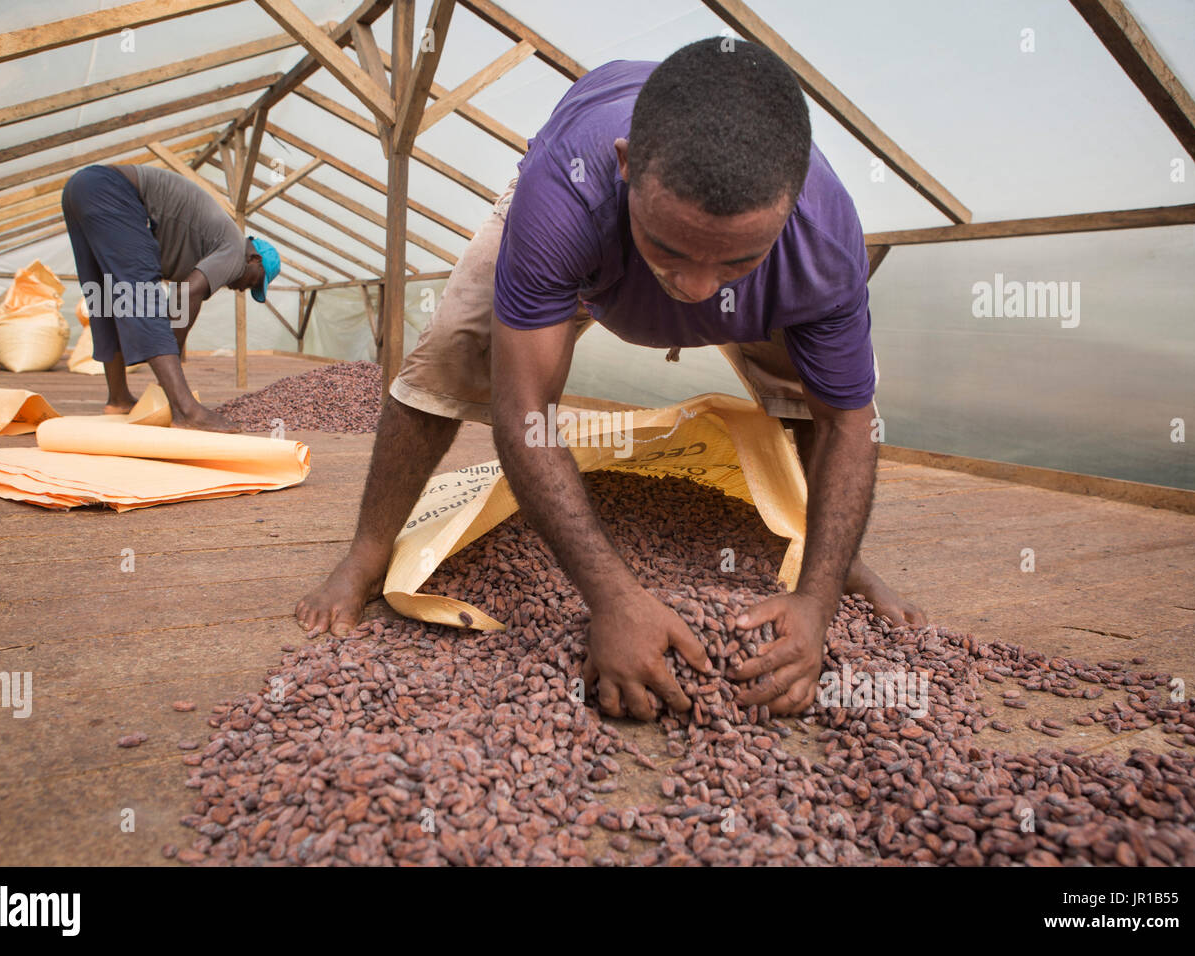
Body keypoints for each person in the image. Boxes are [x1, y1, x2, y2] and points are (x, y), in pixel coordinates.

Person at [298, 38, 928, 720]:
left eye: (735, 262)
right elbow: (525, 413)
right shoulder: (565, 192)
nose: (693, 290)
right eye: (670, 247)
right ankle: (366, 552)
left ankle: (832, 567)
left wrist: (816, 601)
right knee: (456, 347)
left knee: (811, 387)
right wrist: (614, 598)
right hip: (584, 227)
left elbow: (847, 422)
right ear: (626, 168)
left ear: (789, 206)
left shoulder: (825, 245)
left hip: (756, 254)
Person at [61, 163, 281, 432]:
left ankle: (118, 399)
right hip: (114, 189)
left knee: (105, 295)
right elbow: (186, 293)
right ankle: (187, 411)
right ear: (254, 260)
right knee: (141, 292)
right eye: (254, 283)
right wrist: (171, 362)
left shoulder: (214, 242)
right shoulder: (236, 250)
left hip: (80, 188)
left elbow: (181, 294)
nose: (244, 289)